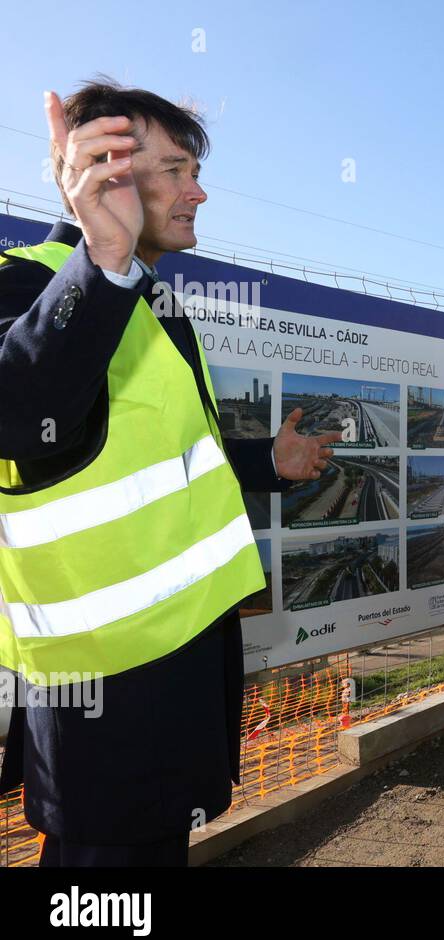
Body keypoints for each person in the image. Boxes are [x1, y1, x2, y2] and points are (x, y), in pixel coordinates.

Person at [0, 82, 338, 867]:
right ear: (105, 174)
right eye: (177, 169)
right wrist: (104, 261)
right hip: (104, 683)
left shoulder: (154, 303)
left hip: (182, 657)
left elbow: (159, 458)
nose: (200, 190)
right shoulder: (28, 280)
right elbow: (18, 417)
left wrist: (266, 462)